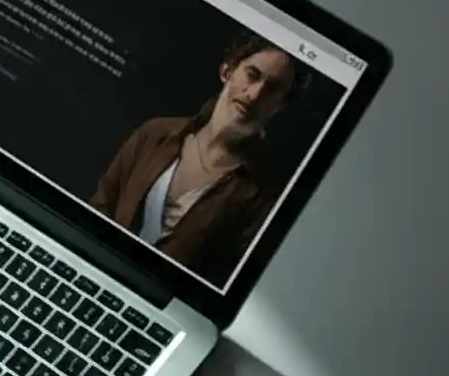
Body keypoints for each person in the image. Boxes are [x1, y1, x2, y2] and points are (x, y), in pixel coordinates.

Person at [87, 32, 307, 287]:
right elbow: (100, 207)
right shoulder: (156, 134)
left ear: (279, 106)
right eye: (252, 74)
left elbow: (223, 285)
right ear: (227, 71)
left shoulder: (262, 197)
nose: (255, 94)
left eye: (272, 89)